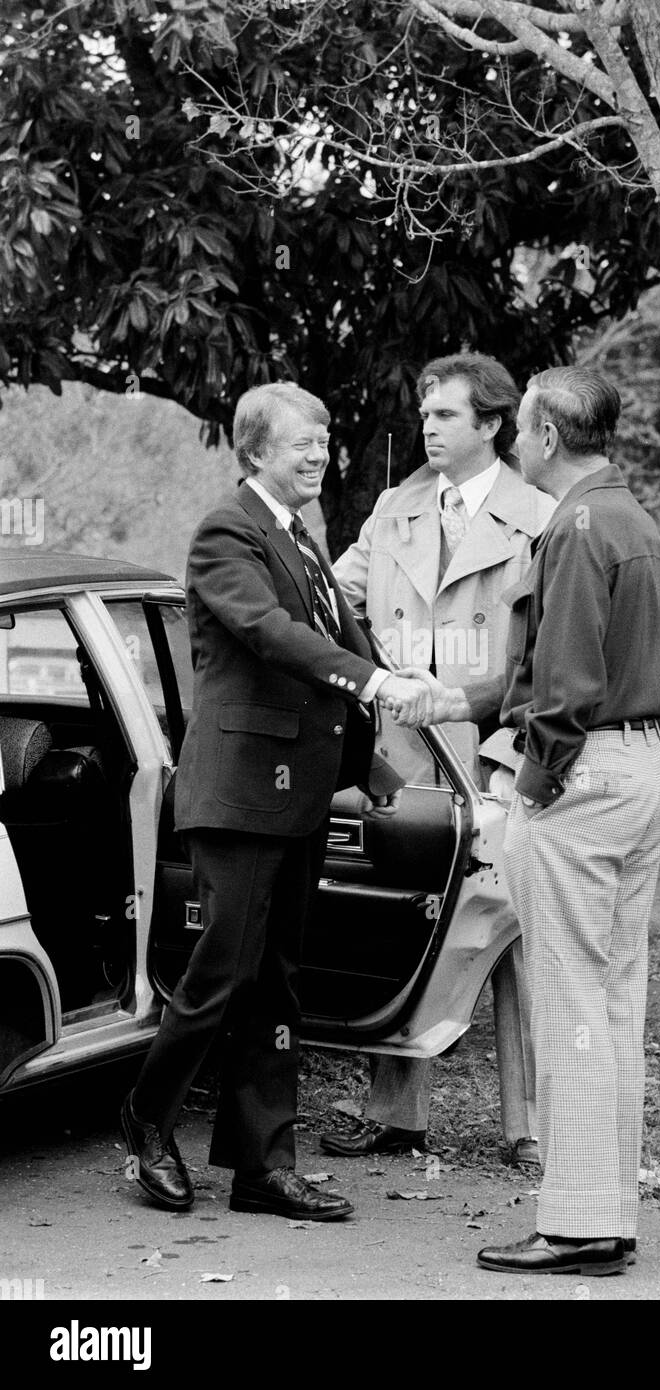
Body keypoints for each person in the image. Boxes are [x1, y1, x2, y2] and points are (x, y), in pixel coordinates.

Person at [120, 382, 433, 1222]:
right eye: (305, 440)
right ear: (256, 450)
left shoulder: (300, 537)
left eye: (327, 436)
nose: (321, 451)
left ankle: (262, 1167)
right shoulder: (229, 531)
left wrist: (386, 747)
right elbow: (269, 634)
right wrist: (372, 677)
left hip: (294, 795)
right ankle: (146, 1121)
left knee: (275, 986)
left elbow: (340, 640)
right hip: (236, 793)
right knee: (221, 973)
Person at [396, 368, 660, 1275]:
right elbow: (556, 674)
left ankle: (578, 1225)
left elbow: (561, 692)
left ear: (549, 435)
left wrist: (529, 790)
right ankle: (606, 1212)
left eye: (518, 429)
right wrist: (461, 697)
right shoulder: (629, 519)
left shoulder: (574, 527)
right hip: (641, 773)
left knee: (567, 1007)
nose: (515, 444)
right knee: (610, 1002)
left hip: (579, 780)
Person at [319, 353, 555, 1160]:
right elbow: (330, 599)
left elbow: (545, 662)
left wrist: (506, 757)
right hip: (406, 767)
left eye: (447, 415)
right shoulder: (395, 507)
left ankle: (527, 1127)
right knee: (407, 923)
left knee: (512, 939)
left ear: (492, 424)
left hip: (495, 759)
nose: (429, 426)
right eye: (424, 413)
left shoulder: (545, 514)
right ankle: (396, 1114)